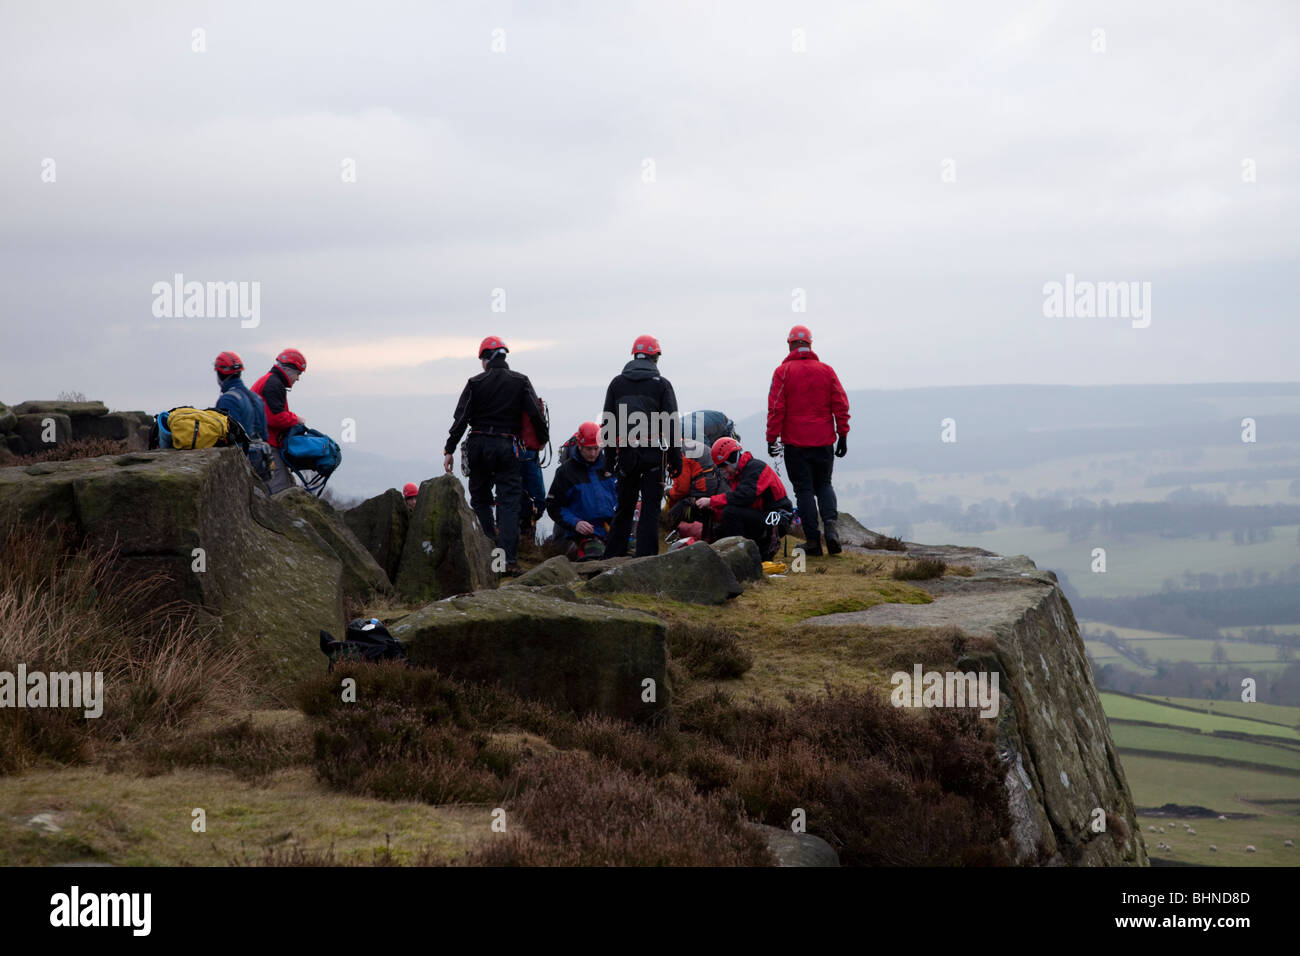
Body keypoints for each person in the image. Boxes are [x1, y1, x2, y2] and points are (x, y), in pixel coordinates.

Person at [443, 336, 548, 576]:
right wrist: (540, 442)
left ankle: (487, 547)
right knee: (508, 502)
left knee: (480, 499)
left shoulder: (475, 383)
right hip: (507, 446)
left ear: (485, 359)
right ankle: (507, 562)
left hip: (478, 446)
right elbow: (536, 415)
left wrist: (449, 450)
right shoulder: (520, 381)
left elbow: (460, 420)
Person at [766, 325, 850, 555]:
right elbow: (840, 404)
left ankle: (813, 542)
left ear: (790, 344)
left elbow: (776, 409)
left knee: (803, 490)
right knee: (824, 484)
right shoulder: (826, 371)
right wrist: (842, 434)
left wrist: (771, 438)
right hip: (824, 441)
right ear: (810, 345)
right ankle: (831, 530)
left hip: (796, 443)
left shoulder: (782, 372)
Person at [602, 334, 682, 557]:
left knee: (625, 507)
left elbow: (608, 424)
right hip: (654, 457)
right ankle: (646, 558)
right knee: (649, 510)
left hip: (627, 456)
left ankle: (612, 557)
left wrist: (609, 459)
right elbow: (671, 424)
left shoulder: (617, 384)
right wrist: (677, 460)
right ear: (654, 357)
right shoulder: (662, 385)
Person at [696, 437, 794, 561]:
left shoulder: (756, 468)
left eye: (724, 466)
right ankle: (747, 554)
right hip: (763, 516)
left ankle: (740, 558)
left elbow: (744, 497)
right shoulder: (738, 475)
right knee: (721, 529)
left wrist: (711, 501)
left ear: (733, 459)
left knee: (730, 513)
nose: (724, 471)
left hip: (777, 520)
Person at [545, 421, 617, 561]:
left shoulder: (610, 466)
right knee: (596, 559)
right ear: (579, 446)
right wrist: (576, 523)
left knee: (638, 552)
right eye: (588, 449)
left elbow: (623, 497)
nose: (593, 453)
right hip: (584, 533)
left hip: (613, 528)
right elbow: (554, 506)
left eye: (596, 448)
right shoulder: (565, 472)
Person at [665, 410, 736, 542]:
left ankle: (677, 528)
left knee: (683, 505)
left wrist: (668, 491)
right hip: (721, 483)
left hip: (710, 485)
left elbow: (682, 489)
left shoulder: (680, 453)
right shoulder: (684, 442)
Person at [252, 348, 308, 494]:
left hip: (261, 441)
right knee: (280, 488)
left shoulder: (271, 381)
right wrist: (296, 419)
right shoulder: (273, 384)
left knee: (285, 484)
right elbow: (276, 418)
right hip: (266, 443)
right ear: (289, 370)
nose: (297, 378)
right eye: (298, 374)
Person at [213, 351, 267, 441]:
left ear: (219, 373)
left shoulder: (228, 400)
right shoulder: (256, 398)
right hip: (260, 453)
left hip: (241, 453)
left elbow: (229, 437)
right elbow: (264, 435)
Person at [518, 448, 546, 544]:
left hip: (504, 500)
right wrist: (540, 503)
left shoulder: (506, 439)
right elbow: (535, 476)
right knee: (525, 543)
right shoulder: (528, 447)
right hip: (525, 504)